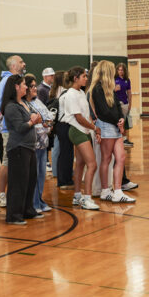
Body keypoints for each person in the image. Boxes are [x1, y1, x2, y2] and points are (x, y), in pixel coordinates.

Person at [89, 61, 135, 204]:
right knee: (107, 159)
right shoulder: (97, 89)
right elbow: (103, 112)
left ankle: (118, 191)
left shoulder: (109, 88)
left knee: (121, 158)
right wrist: (117, 121)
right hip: (107, 126)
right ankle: (105, 190)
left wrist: (121, 119)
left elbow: (117, 106)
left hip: (115, 126)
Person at [1, 75, 42, 225]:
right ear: (16, 87)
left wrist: (33, 118)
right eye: (24, 84)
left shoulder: (23, 103)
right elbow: (20, 127)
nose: (27, 87)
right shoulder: (11, 106)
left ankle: (27, 210)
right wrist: (32, 121)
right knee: (18, 183)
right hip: (18, 148)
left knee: (29, 180)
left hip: (28, 147)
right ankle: (13, 215)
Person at [59, 67, 99, 209]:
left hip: (85, 131)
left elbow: (86, 114)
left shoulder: (81, 92)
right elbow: (78, 117)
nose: (86, 78)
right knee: (92, 164)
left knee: (81, 164)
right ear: (75, 78)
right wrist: (94, 128)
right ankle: (87, 198)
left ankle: (77, 196)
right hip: (77, 131)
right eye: (83, 76)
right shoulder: (70, 94)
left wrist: (93, 130)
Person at [0, 54, 25, 208]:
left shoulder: (13, 81)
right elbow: (5, 105)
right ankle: (1, 195)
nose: (24, 64)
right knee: (6, 162)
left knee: (12, 162)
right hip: (9, 128)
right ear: (13, 66)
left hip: (15, 128)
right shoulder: (8, 81)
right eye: (21, 62)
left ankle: (12, 193)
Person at [25, 75, 54, 214]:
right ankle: (33, 202)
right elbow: (32, 123)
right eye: (32, 86)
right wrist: (42, 124)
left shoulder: (38, 102)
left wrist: (46, 124)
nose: (35, 88)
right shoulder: (24, 104)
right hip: (33, 144)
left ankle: (39, 199)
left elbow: (48, 118)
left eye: (35, 85)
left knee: (41, 174)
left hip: (43, 143)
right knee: (34, 174)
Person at [49, 72, 73, 189]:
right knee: (63, 152)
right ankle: (62, 180)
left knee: (65, 152)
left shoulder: (58, 91)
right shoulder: (64, 93)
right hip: (63, 124)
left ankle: (65, 178)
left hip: (62, 124)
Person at [114, 63, 133, 148]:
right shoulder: (114, 79)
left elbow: (129, 92)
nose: (120, 71)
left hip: (125, 103)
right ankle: (117, 138)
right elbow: (109, 91)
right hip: (116, 103)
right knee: (117, 121)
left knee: (124, 121)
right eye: (119, 70)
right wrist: (114, 89)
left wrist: (130, 103)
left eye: (122, 70)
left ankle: (124, 138)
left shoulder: (127, 80)